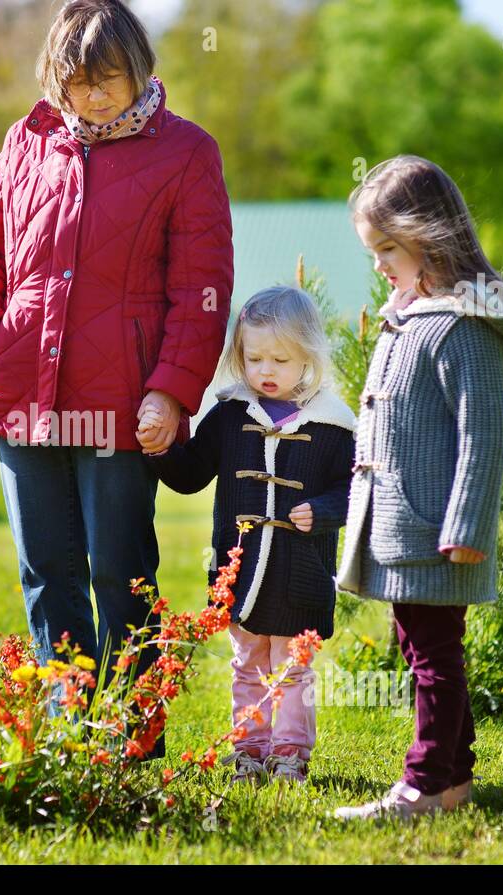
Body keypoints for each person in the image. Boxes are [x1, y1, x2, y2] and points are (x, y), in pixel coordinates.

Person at [0, 1, 234, 756]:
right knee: (47, 572)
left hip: (121, 403)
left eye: (109, 78)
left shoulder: (187, 153)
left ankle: (132, 737)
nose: (95, 96)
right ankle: (69, 732)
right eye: (78, 82)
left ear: (139, 69)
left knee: (119, 571)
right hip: (23, 396)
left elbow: (201, 289)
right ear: (58, 80)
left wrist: (171, 390)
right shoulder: (27, 139)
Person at [332, 155, 503, 820]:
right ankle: (452, 781)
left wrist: (468, 526)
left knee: (434, 659)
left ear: (430, 236)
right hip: (403, 526)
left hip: (437, 532)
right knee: (426, 651)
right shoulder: (415, 314)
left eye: (388, 248)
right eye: (374, 252)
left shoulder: (463, 325)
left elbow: (486, 432)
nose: (380, 265)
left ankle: (422, 784)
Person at [141, 286, 355, 785]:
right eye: (254, 357)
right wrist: (161, 447)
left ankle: (290, 754)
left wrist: (322, 510)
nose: (266, 370)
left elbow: (356, 490)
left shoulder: (332, 426)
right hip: (240, 567)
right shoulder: (231, 415)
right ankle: (250, 750)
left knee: (291, 666)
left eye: (280, 358)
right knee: (247, 663)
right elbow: (192, 474)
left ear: (309, 355)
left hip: (300, 572)